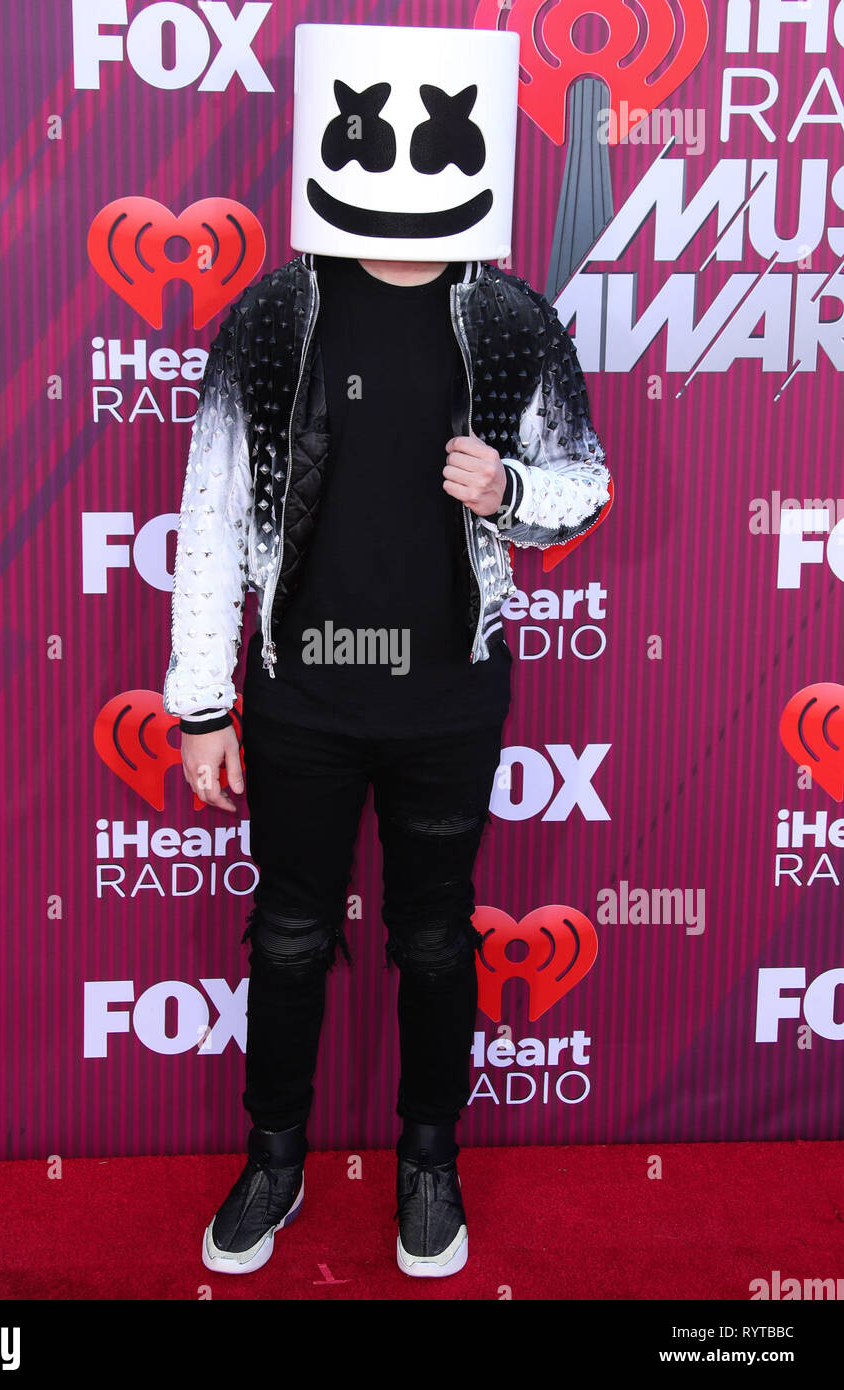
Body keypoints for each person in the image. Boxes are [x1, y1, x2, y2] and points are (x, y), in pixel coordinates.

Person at [162, 24, 611, 1280]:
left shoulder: (513, 319)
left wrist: (510, 487)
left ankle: (429, 1161)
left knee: (433, 937)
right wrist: (204, 705)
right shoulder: (270, 315)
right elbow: (208, 515)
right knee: (291, 934)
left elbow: (583, 484)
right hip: (298, 696)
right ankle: (275, 1157)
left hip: (447, 697)